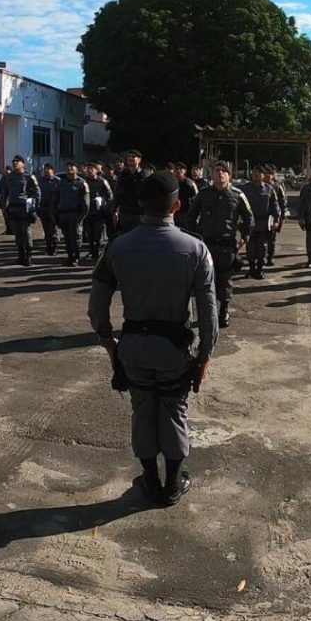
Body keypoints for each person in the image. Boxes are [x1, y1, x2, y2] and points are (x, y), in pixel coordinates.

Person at [88, 171, 218, 507]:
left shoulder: (118, 246)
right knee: (174, 410)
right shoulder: (196, 249)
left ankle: (149, 477)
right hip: (174, 350)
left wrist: (108, 341)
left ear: (140, 204)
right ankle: (172, 484)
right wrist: (203, 355)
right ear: (178, 205)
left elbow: (97, 303)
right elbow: (208, 312)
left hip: (132, 348)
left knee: (142, 409)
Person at [185, 161, 254, 328]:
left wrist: (245, 235)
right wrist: (194, 238)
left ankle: (224, 309)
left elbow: (249, 217)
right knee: (204, 280)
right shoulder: (203, 194)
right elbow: (190, 217)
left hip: (227, 246)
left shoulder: (237, 195)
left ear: (229, 176)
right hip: (206, 244)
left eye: (224, 171)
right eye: (217, 171)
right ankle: (206, 312)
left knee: (225, 280)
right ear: (212, 174)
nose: (220, 174)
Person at [0, 155, 41, 267]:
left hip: (24, 208)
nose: (15, 163)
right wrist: (4, 207)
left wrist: (33, 209)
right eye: (14, 161)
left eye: (17, 161)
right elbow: (5, 193)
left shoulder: (28, 177)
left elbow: (37, 193)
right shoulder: (9, 177)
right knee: (18, 234)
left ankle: (28, 256)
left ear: (23, 164)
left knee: (26, 233)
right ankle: (21, 256)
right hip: (13, 208)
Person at [240, 166, 280, 280]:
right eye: (255, 173)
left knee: (262, 247)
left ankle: (259, 269)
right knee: (250, 247)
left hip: (263, 222)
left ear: (263, 175)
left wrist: (276, 220)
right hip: (249, 222)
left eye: (259, 173)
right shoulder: (244, 188)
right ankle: (251, 268)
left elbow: (274, 205)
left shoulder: (269, 189)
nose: (257, 175)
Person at [56, 161, 90, 267]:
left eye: (71, 166)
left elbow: (86, 202)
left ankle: (76, 257)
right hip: (63, 214)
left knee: (75, 238)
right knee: (67, 238)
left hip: (75, 215)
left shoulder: (82, 183)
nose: (69, 168)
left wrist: (82, 217)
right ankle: (70, 256)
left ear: (76, 169)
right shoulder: (61, 182)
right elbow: (56, 198)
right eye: (67, 167)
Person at [84, 163, 114, 260]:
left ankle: (96, 251)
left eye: (92, 169)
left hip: (99, 211)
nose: (90, 170)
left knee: (97, 233)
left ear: (96, 170)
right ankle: (92, 249)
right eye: (88, 169)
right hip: (87, 211)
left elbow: (110, 194)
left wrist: (106, 205)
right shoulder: (84, 181)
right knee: (89, 233)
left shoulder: (102, 181)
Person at [115, 150, 146, 234]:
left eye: (133, 156)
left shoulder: (144, 175)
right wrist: (114, 210)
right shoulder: (123, 174)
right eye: (129, 156)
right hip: (125, 211)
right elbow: (117, 192)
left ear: (139, 160)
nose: (130, 158)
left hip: (139, 213)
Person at [264, 166, 288, 267]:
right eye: (266, 174)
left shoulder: (277, 186)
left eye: (269, 174)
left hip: (272, 216)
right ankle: (261, 258)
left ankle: (270, 257)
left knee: (271, 239)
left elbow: (282, 201)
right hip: (261, 215)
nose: (267, 176)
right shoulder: (258, 186)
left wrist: (281, 216)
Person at [38, 164, 61, 256]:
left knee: (54, 230)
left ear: (53, 170)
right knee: (46, 230)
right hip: (43, 209)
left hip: (54, 209)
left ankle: (55, 247)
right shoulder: (41, 181)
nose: (47, 171)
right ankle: (48, 247)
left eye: (49, 169)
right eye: (45, 169)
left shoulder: (58, 181)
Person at [173, 162, 199, 229]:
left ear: (185, 171)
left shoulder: (190, 184)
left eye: (181, 169)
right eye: (176, 169)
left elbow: (197, 199)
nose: (178, 171)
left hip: (186, 213)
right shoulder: (172, 182)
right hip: (173, 213)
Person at [0, 165, 14, 235]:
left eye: (7, 170)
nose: (5, 171)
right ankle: (8, 229)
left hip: (10, 199)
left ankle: (12, 230)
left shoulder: (12, 178)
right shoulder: (3, 179)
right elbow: (0, 189)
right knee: (5, 216)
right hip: (3, 199)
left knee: (10, 216)